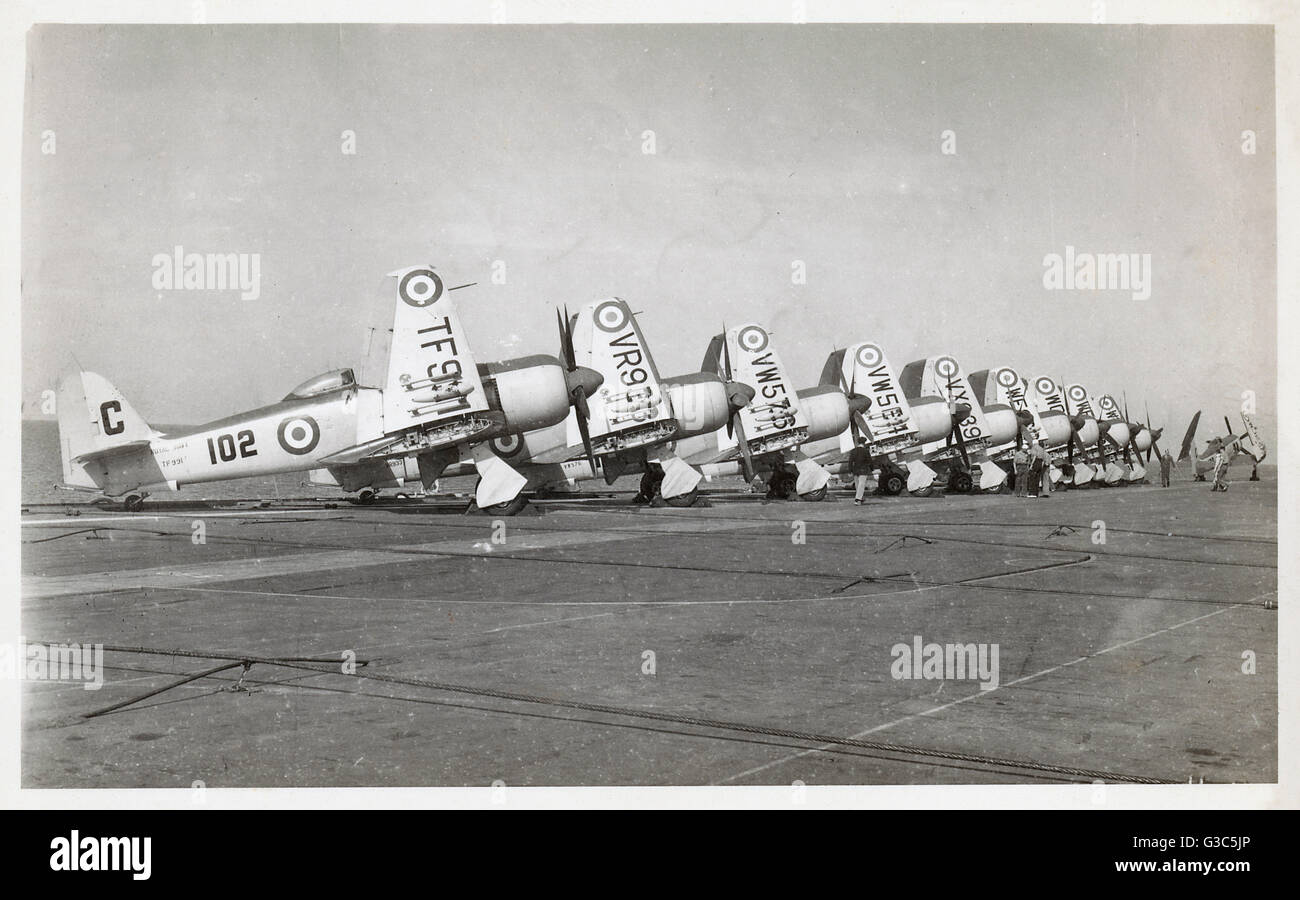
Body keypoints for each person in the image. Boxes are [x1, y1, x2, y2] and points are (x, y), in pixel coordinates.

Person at [848, 438, 873, 505]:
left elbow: (850, 461)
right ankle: (857, 500)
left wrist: (850, 470)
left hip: (855, 470)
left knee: (857, 485)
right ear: (864, 443)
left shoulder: (853, 451)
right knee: (861, 485)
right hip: (863, 470)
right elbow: (869, 461)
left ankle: (861, 498)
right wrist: (872, 468)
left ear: (858, 443)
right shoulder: (865, 451)